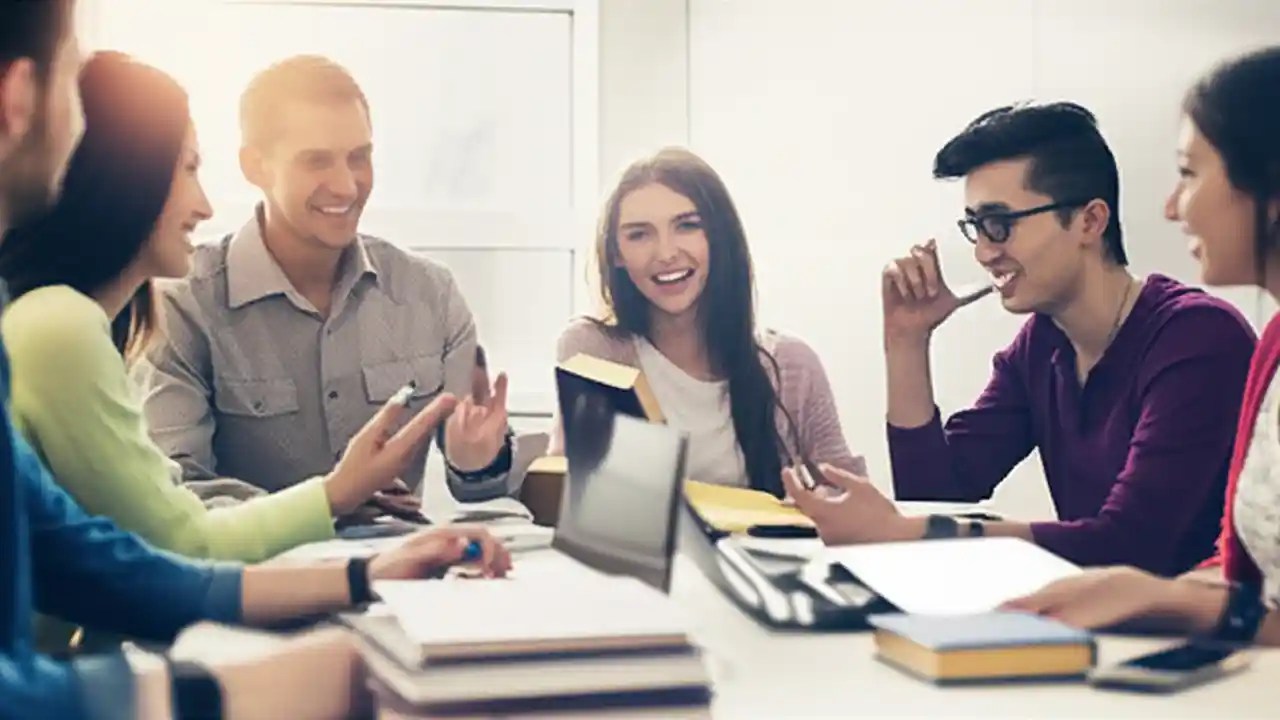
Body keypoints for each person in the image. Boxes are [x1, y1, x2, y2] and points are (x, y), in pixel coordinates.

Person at [0, 10, 510, 717]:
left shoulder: (52, 327)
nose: (206, 204)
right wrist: (333, 501)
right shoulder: (62, 325)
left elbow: (106, 565)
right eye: (187, 169)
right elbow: (179, 536)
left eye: (359, 154)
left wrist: (370, 571)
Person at [785, 102, 1257, 576]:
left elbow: (1131, 545)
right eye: (975, 227)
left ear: (1090, 222)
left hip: (1205, 640)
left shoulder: (1197, 339)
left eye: (999, 224)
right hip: (1103, 625)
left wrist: (910, 531)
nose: (985, 252)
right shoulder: (1041, 344)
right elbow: (937, 493)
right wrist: (906, 342)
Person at [130, 54, 516, 511]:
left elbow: (479, 491)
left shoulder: (431, 294)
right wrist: (330, 502)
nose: (347, 185)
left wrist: (476, 461)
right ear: (255, 167)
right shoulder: (185, 303)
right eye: (317, 161)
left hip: (403, 573)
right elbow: (177, 492)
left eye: (359, 157)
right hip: (261, 575)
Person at [1002, 46, 1280, 645]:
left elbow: (1141, 541)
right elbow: (1246, 571)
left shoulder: (1202, 335)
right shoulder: (1275, 345)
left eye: (1189, 173)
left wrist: (1170, 603)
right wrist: (1148, 592)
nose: (1171, 207)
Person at [552, 147, 864, 495]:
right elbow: (574, 495)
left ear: (719, 237)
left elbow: (853, 501)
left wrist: (822, 501)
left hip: (758, 549)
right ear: (616, 254)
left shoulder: (791, 365)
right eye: (639, 234)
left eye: (687, 226)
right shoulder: (592, 349)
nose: (666, 253)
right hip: (641, 550)